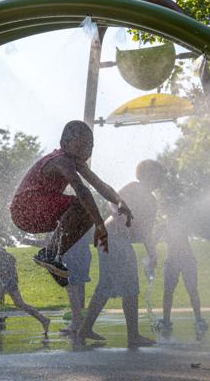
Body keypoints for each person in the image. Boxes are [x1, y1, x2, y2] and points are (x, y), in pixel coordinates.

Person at [10, 121, 133, 284]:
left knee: (87, 213)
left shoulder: (75, 161)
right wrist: (100, 224)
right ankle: (50, 253)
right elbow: (82, 190)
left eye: (90, 146)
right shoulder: (61, 160)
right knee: (85, 206)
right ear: (64, 144)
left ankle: (54, 258)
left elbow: (99, 184)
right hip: (26, 208)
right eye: (82, 145)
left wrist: (119, 201)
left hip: (33, 214)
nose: (87, 150)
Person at [77, 160, 165, 347]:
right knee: (130, 284)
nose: (162, 179)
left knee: (106, 285)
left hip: (113, 238)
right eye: (159, 174)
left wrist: (153, 253)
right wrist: (122, 216)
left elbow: (146, 231)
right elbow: (112, 202)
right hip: (112, 236)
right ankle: (132, 336)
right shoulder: (134, 187)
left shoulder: (151, 201)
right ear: (147, 175)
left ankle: (85, 328)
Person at [154, 205, 210, 341]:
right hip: (172, 261)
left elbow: (200, 233)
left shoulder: (183, 225)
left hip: (187, 260)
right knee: (168, 291)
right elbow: (152, 241)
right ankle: (166, 321)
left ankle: (198, 319)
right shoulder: (163, 227)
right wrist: (151, 256)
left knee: (192, 290)